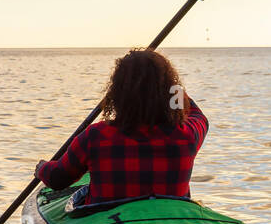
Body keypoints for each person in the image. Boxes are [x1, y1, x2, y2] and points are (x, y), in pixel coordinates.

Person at [34, 49, 208, 204]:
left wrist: (42, 168)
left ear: (117, 94)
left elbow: (57, 179)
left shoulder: (95, 137)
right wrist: (173, 87)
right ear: (169, 94)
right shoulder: (186, 136)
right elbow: (196, 113)